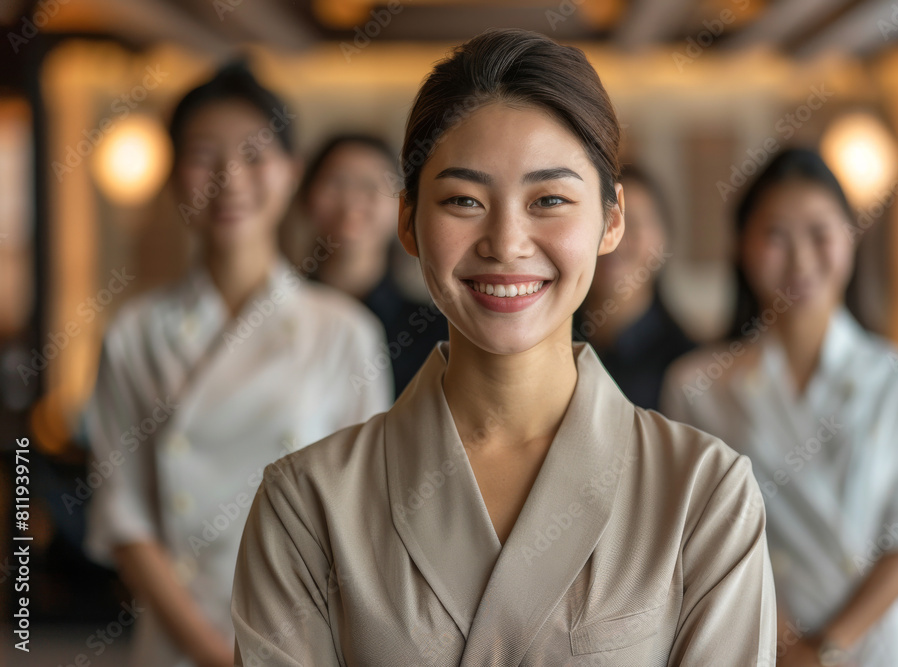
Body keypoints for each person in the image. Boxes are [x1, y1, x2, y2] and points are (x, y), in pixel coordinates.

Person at [231, 29, 776, 666]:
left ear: (612, 220)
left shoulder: (704, 494)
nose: (506, 242)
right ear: (408, 220)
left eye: (550, 200)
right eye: (464, 200)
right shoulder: (307, 503)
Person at [82, 63, 392, 667]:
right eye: (204, 157)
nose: (229, 178)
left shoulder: (344, 332)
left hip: (304, 639)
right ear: (173, 178)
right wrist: (216, 654)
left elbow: (366, 515)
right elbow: (124, 517)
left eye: (253, 155)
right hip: (177, 643)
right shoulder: (133, 333)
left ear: (291, 172)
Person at [662, 148, 898, 666]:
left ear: (851, 238)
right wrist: (785, 645)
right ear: (741, 245)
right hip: (754, 638)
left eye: (819, 233)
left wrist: (825, 649)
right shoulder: (697, 385)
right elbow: (696, 535)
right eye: (775, 235)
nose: (799, 259)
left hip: (874, 644)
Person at [300, 133, 450, 396]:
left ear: (402, 208)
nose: (351, 201)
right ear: (307, 195)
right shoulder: (281, 310)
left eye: (370, 186)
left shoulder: (434, 330)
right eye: (336, 183)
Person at [574, 164, 695, 409]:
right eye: (600, 221)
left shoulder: (688, 366)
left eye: (631, 223)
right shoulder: (546, 347)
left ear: (664, 239)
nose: (612, 238)